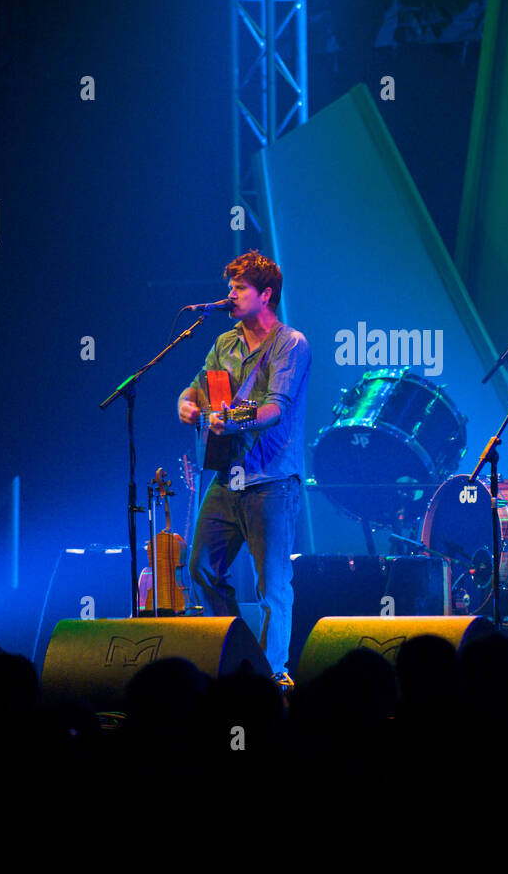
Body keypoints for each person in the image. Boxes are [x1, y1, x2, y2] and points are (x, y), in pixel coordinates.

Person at [178, 251, 310, 687]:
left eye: (239, 289)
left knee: (272, 586)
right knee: (201, 569)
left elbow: (275, 407)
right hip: (225, 478)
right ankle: (241, 660)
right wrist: (187, 402)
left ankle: (272, 675)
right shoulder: (225, 343)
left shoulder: (291, 343)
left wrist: (232, 418)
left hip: (270, 480)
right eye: (230, 288)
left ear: (265, 294)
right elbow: (198, 388)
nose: (230, 296)